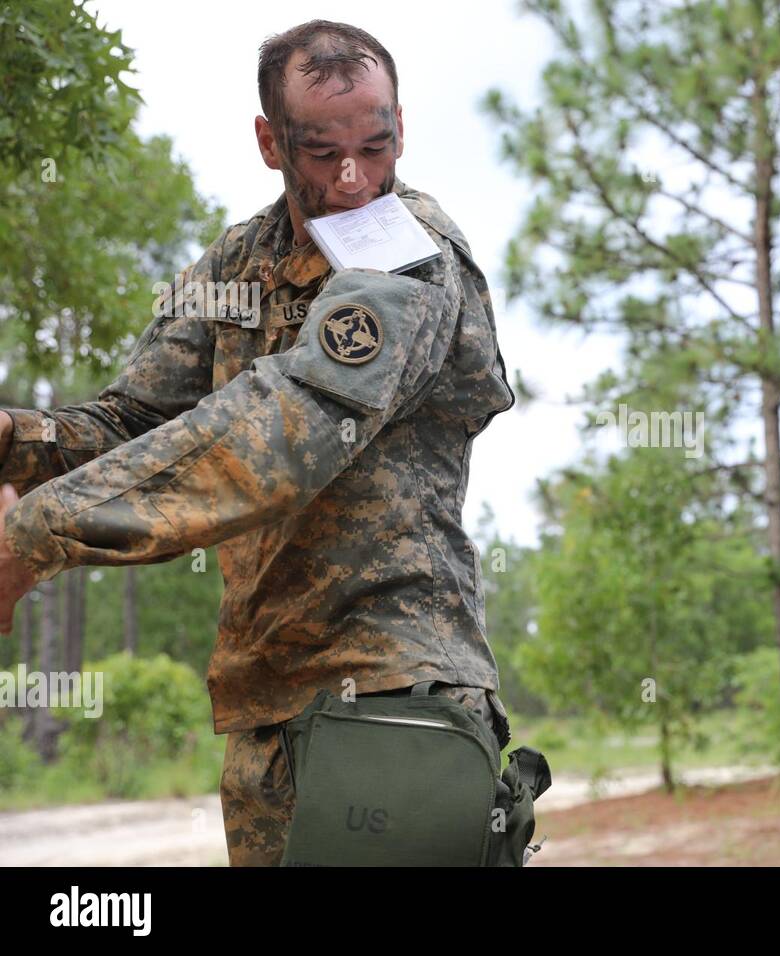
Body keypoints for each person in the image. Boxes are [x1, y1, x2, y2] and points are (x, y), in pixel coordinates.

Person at [0, 20, 515, 866]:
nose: (355, 180)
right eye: (322, 153)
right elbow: (136, 425)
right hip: (265, 703)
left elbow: (285, 429)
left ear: (401, 130)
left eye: (375, 147)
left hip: (390, 691)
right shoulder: (239, 262)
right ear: (270, 142)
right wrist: (16, 440)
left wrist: (34, 538)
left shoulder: (410, 256)